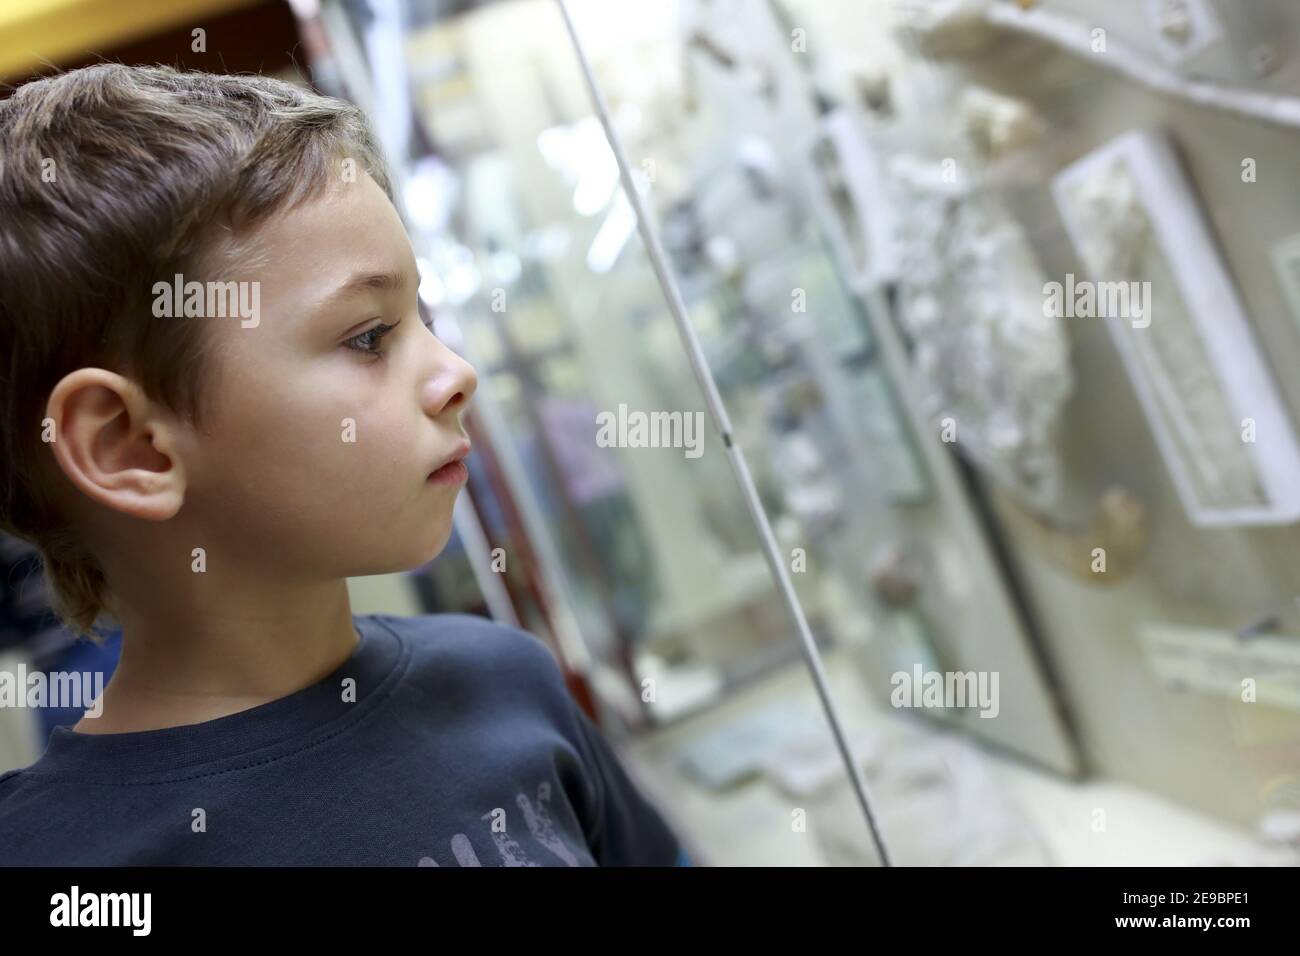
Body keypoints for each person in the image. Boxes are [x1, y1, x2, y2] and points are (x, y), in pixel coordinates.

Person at [0, 64, 687, 866]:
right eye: (368, 336)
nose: (456, 373)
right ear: (130, 447)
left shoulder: (506, 682)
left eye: (421, 317)